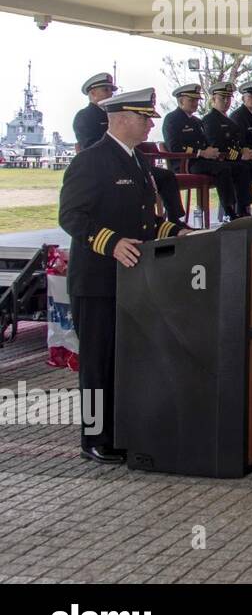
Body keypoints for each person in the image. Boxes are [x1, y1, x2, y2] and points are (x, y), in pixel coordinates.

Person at [57, 89, 191, 463]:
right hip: (98, 281)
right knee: (98, 365)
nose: (151, 123)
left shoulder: (137, 161)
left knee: (125, 361)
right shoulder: (92, 161)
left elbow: (146, 220)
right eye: (143, 117)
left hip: (132, 281)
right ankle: (94, 438)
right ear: (119, 119)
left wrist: (179, 232)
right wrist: (111, 242)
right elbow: (71, 217)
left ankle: (122, 430)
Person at [72, 72, 186, 225]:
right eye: (105, 90)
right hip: (107, 167)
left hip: (127, 163)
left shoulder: (138, 158)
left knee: (165, 176)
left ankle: (175, 219)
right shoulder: (85, 118)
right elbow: (73, 217)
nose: (110, 93)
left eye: (111, 90)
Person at [162, 84, 248, 222]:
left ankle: (243, 208)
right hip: (186, 163)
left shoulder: (196, 121)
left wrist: (212, 152)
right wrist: (200, 152)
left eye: (197, 100)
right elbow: (174, 147)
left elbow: (205, 143)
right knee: (223, 169)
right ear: (180, 101)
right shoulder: (172, 119)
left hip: (202, 161)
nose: (195, 103)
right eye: (191, 100)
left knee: (239, 167)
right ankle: (229, 211)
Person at [201, 81, 252, 217]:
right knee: (238, 168)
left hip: (233, 159)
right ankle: (232, 211)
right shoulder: (210, 119)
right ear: (213, 99)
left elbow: (238, 142)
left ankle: (244, 208)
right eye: (222, 98)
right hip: (221, 159)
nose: (226, 101)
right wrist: (240, 154)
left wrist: (245, 150)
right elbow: (217, 145)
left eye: (228, 98)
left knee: (248, 167)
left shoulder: (229, 121)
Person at [230, 81, 252, 186]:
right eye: (250, 96)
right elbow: (240, 140)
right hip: (244, 156)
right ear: (243, 99)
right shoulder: (237, 116)